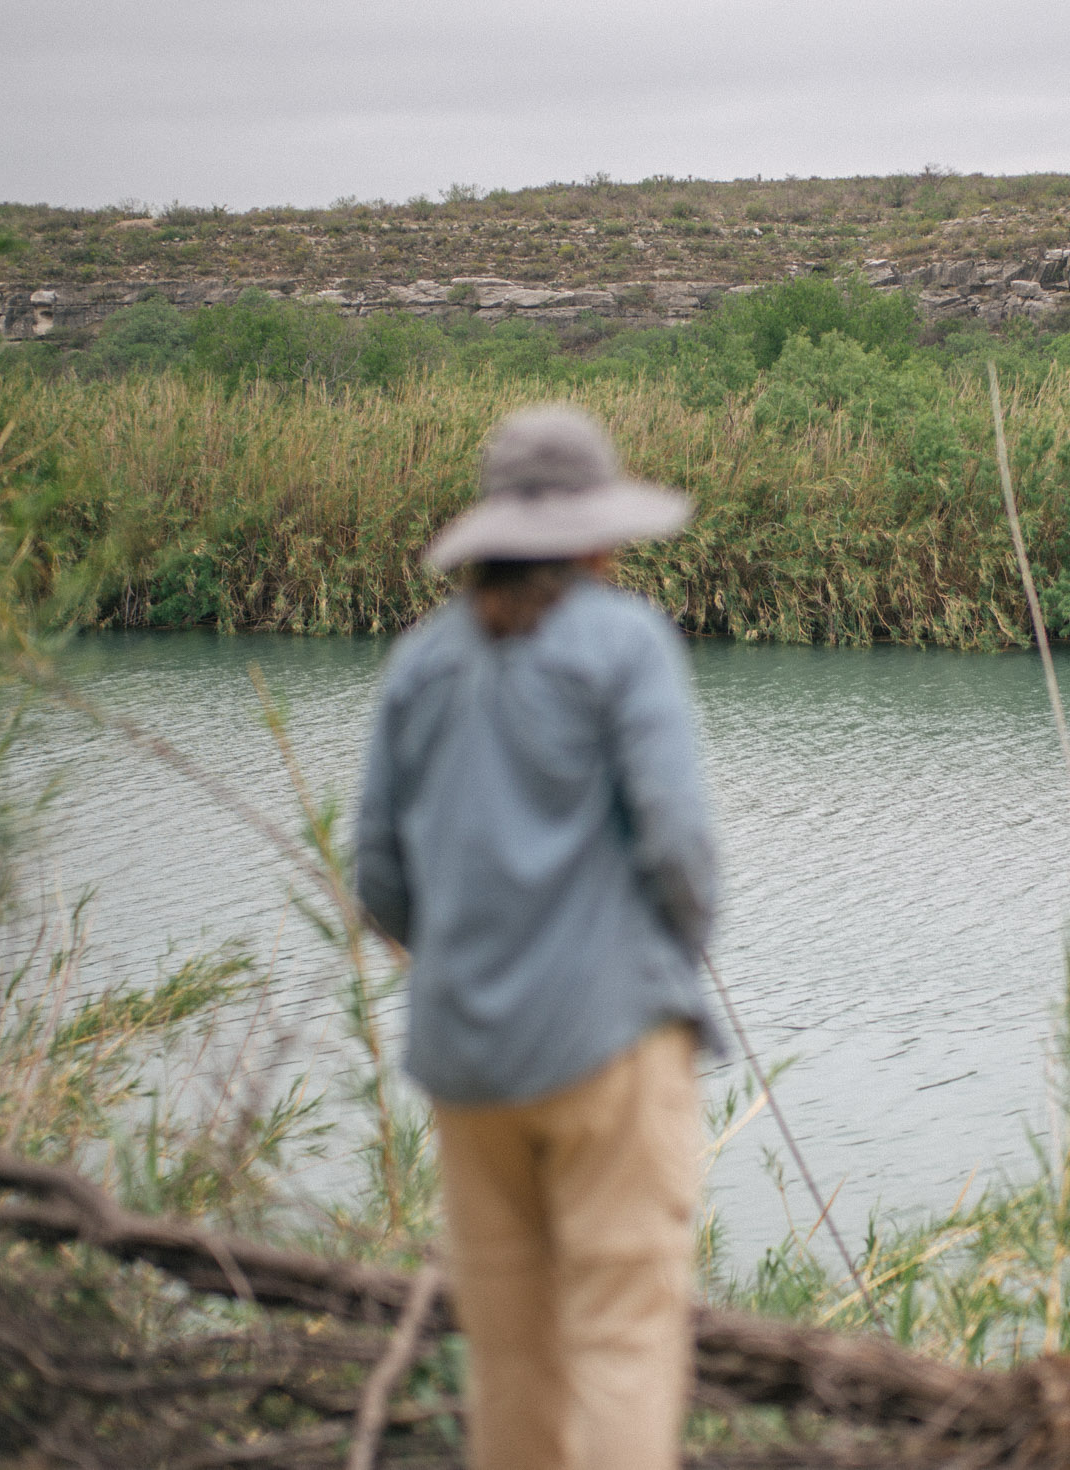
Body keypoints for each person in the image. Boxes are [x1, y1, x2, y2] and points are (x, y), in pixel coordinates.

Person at [352, 405, 720, 1470]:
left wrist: (453, 957)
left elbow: (377, 873)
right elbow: (679, 844)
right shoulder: (624, 640)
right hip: (610, 1046)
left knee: (509, 1357)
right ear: (597, 539)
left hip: (467, 1061)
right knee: (621, 1336)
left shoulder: (421, 662)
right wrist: (677, 946)